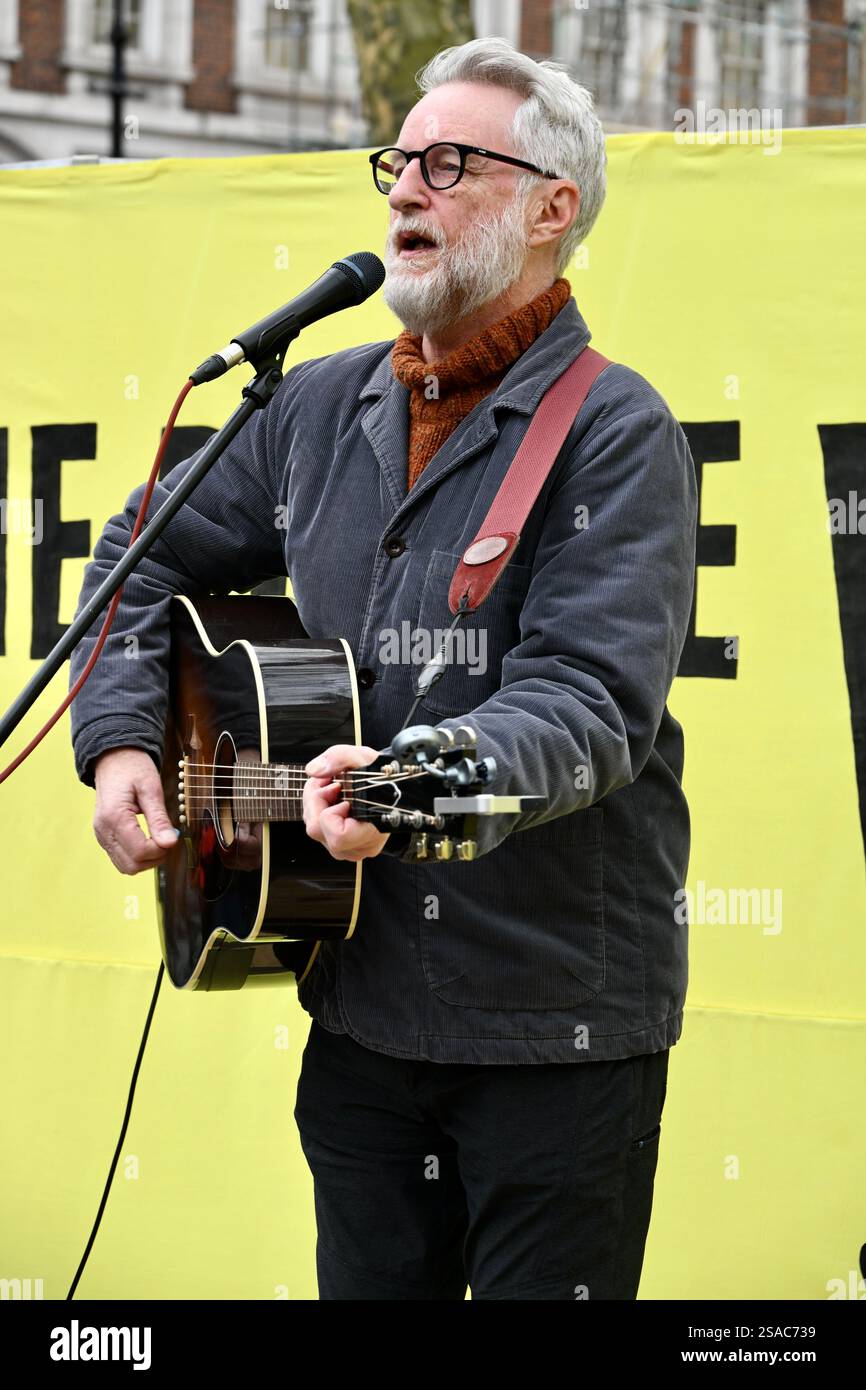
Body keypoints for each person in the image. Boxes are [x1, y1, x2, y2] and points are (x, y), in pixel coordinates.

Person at [69, 37, 698, 1300]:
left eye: (447, 163)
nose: (404, 190)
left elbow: (587, 706)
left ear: (548, 208)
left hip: (551, 1031)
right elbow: (140, 548)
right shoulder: (314, 406)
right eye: (397, 164)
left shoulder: (617, 433)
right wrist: (128, 737)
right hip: (358, 1015)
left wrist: (405, 783)